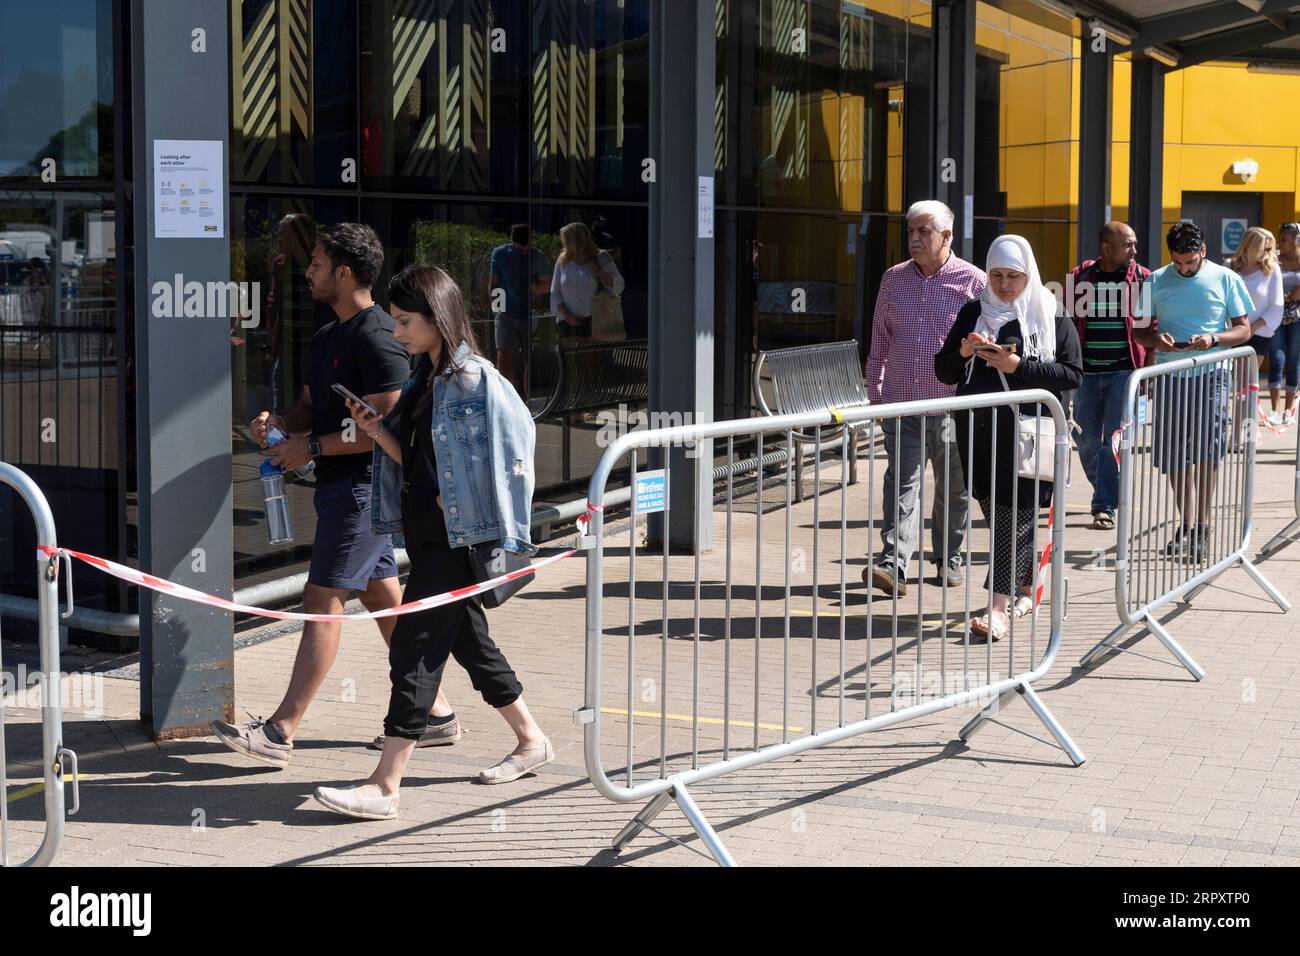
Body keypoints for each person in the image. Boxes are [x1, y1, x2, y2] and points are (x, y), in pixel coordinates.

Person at [211, 223, 460, 766]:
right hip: (338, 490)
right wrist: (280, 424)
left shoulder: (377, 334)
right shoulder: (327, 336)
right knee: (382, 600)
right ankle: (437, 713)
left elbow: (386, 417)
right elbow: (307, 407)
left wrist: (312, 449)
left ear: (345, 272)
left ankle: (280, 730)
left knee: (321, 600)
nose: (308, 271)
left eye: (317, 263)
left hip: (363, 492)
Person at [315, 264, 551, 820]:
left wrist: (501, 528)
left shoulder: (476, 381)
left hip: (455, 543)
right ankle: (532, 740)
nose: (397, 333)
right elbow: (420, 464)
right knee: (470, 642)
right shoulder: (427, 377)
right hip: (426, 537)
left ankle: (385, 784)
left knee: (415, 650)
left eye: (405, 321)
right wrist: (376, 430)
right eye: (394, 322)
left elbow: (518, 455)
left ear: (437, 318)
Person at [935, 235, 1082, 642]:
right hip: (977, 432)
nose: (1003, 285)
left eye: (1012, 276)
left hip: (1026, 434)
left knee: (1008, 517)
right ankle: (1023, 581)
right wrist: (964, 352)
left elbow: (1071, 374)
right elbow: (943, 372)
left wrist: (1017, 364)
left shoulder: (1050, 314)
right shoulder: (972, 312)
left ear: (1028, 274)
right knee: (997, 511)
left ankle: (997, 609)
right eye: (996, 275)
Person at [862, 200, 985, 596]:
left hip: (952, 406)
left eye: (923, 232)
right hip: (903, 405)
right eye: (910, 231)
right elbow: (879, 338)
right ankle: (893, 562)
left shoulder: (973, 282)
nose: (914, 239)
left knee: (954, 489)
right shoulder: (893, 279)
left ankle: (948, 556)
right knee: (901, 484)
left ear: (946, 236)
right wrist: (876, 394)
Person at [1135, 220, 1253, 562]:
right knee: (1174, 454)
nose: (1184, 268)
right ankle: (1185, 522)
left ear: (1203, 251)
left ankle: (1202, 524)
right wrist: (1157, 340)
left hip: (1213, 373)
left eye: (1190, 261)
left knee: (1207, 450)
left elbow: (1243, 330)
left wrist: (1214, 339)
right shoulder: (1154, 280)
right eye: (1178, 262)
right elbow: (1140, 331)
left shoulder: (1226, 278)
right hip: (1172, 374)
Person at [1069, 221, 1152, 531]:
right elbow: (1065, 321)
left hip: (1124, 374)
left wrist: (1149, 375)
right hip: (1086, 375)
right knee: (1086, 440)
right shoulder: (1080, 278)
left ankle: (1104, 504)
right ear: (1106, 248)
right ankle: (1105, 487)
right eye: (1127, 244)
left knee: (1111, 442)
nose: (1134, 250)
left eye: (1134, 244)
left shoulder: (1143, 279)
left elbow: (1152, 326)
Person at [488, 223, 551, 395]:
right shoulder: (502, 253)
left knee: (522, 357)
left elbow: (545, 285)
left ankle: (524, 401)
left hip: (526, 314)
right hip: (508, 313)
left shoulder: (536, 256)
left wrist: (532, 288)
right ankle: (507, 400)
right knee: (507, 357)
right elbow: (494, 284)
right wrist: (497, 311)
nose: (523, 250)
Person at [1231, 227, 1285, 423]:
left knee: (1248, 383)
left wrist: (1251, 328)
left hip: (1259, 333)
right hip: (1232, 332)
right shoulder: (1230, 267)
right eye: (1265, 248)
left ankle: (1246, 431)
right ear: (1251, 247)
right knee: (1239, 386)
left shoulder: (1272, 270)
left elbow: (1276, 306)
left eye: (1271, 248)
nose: (1269, 252)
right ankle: (1242, 429)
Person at [550, 222, 623, 346]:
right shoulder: (563, 260)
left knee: (592, 361)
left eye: (567, 239)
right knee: (570, 363)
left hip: (596, 321)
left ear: (578, 239)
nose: (564, 243)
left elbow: (619, 286)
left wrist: (599, 273)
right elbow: (555, 291)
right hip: (568, 322)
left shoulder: (601, 257)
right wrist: (567, 315)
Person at [1276, 221, 1300, 423]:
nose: (1280, 242)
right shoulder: (1274, 259)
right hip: (1275, 314)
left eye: (1284, 239)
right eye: (1280, 238)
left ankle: (1288, 410)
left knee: (1294, 360)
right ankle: (1275, 409)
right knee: (1276, 358)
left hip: (1297, 316)